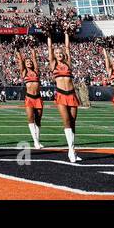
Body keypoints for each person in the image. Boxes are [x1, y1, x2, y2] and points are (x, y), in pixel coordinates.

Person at [48, 30, 80, 163]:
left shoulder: (68, 64)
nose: (59, 54)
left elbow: (67, 48)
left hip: (72, 94)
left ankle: (72, 150)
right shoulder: (53, 64)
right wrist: (49, 35)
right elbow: (49, 49)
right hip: (61, 95)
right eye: (56, 53)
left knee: (72, 122)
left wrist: (66, 32)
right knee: (66, 121)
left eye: (60, 53)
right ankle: (71, 150)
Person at [16, 39, 44, 150]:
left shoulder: (36, 71)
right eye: (27, 62)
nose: (29, 63)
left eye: (30, 62)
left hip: (38, 98)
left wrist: (32, 48)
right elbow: (20, 61)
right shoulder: (24, 72)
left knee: (38, 120)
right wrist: (18, 51)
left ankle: (37, 140)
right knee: (30, 118)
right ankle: (36, 141)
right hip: (29, 98)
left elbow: (35, 58)